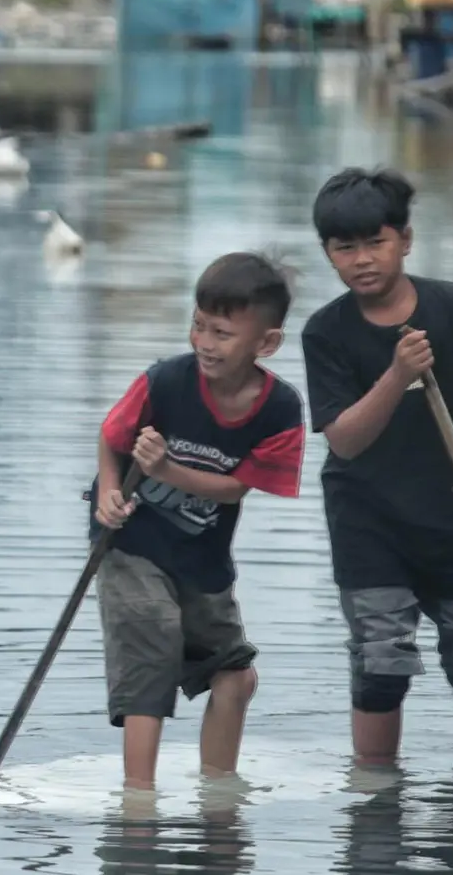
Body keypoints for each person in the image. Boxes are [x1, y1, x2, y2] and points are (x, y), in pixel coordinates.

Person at [300, 168, 453, 765]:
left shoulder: (452, 308)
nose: (363, 259)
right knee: (381, 659)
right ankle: (375, 800)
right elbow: (344, 440)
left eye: (376, 242)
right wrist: (397, 375)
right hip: (368, 522)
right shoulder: (325, 332)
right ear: (328, 254)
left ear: (405, 239)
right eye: (345, 248)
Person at [91, 253, 307, 787]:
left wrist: (167, 467)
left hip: (202, 556)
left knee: (235, 675)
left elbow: (237, 486)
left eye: (223, 333)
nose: (205, 343)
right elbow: (111, 439)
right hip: (132, 539)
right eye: (198, 326)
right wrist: (109, 492)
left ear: (266, 343)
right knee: (152, 651)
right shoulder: (165, 381)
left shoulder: (279, 409)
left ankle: (218, 792)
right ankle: (138, 801)